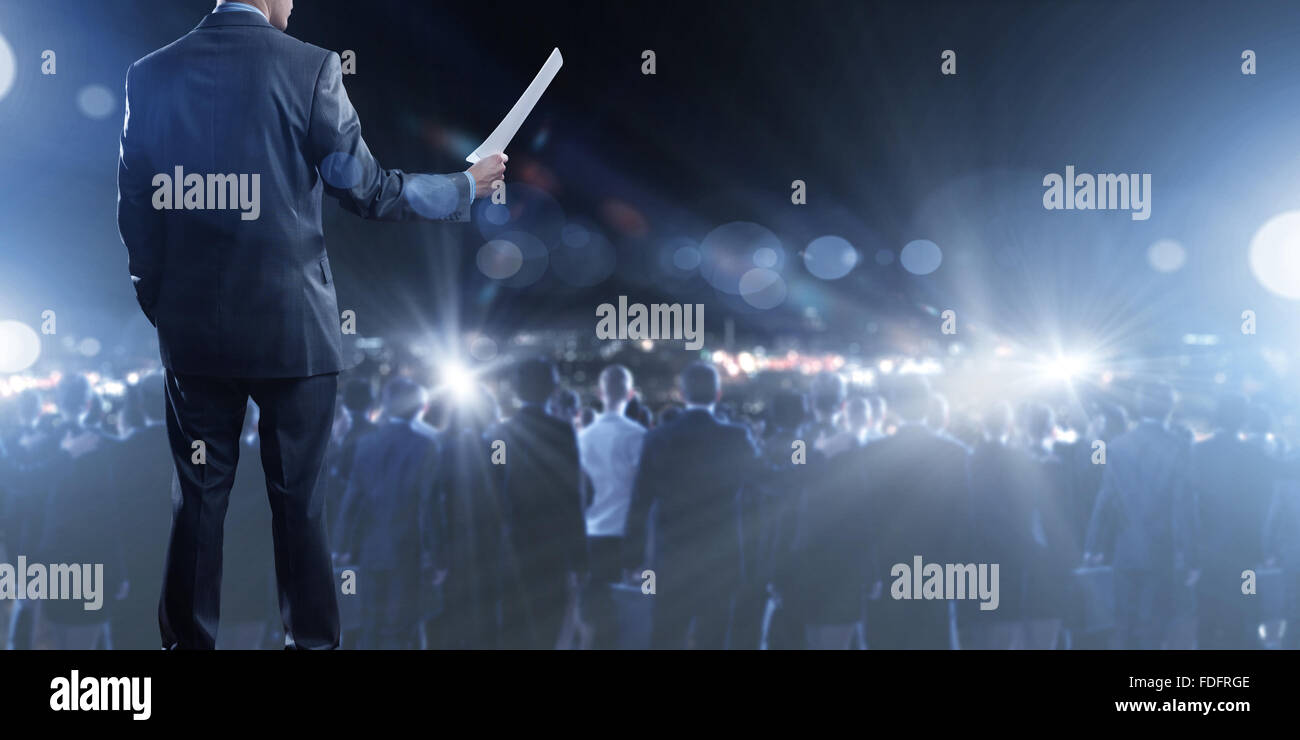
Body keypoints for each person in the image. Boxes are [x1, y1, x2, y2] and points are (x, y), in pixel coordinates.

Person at [116, 0, 506, 649]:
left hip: (194, 333)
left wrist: (163, 304)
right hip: (293, 329)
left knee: (198, 502)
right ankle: (312, 645)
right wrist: (463, 188)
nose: (295, 5)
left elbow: (135, 208)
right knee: (299, 505)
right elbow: (368, 191)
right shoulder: (311, 68)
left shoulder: (150, 74)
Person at [624, 362, 759, 649]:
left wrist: (633, 560)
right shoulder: (737, 437)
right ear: (718, 394)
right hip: (721, 558)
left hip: (671, 558)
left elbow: (640, 501)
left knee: (664, 635)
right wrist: (805, 454)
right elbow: (766, 479)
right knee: (714, 639)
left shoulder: (657, 437)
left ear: (681, 394)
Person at [847, 375, 970, 649]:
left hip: (888, 569)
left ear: (894, 407)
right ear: (928, 405)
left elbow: (864, 517)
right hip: (937, 570)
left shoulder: (873, 453)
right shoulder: (955, 453)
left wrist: (869, 571)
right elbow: (962, 519)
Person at [1084, 381, 1196, 649]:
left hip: (1125, 550)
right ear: (1170, 408)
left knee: (1123, 626)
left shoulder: (1118, 445)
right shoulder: (1179, 447)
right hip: (1162, 551)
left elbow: (1106, 499)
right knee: (1154, 629)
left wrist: (1093, 545)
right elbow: (1184, 505)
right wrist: (1191, 557)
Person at [333, 378, 440, 649]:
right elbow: (429, 505)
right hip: (408, 549)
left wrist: (341, 546)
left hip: (371, 549)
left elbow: (352, 500)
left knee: (370, 623)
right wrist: (438, 556)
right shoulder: (426, 445)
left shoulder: (366, 444)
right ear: (420, 408)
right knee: (401, 627)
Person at [493, 359, 587, 649]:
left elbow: (495, 484)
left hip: (513, 542)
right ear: (553, 389)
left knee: (514, 625)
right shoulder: (564, 432)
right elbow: (572, 493)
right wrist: (579, 555)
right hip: (553, 543)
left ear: (515, 390)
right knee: (549, 620)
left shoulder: (501, 433)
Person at [577, 365, 646, 649]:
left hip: (591, 534)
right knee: (633, 608)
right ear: (631, 394)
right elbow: (643, 491)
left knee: (594, 611)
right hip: (627, 535)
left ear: (599, 392)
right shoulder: (638, 435)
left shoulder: (583, 438)